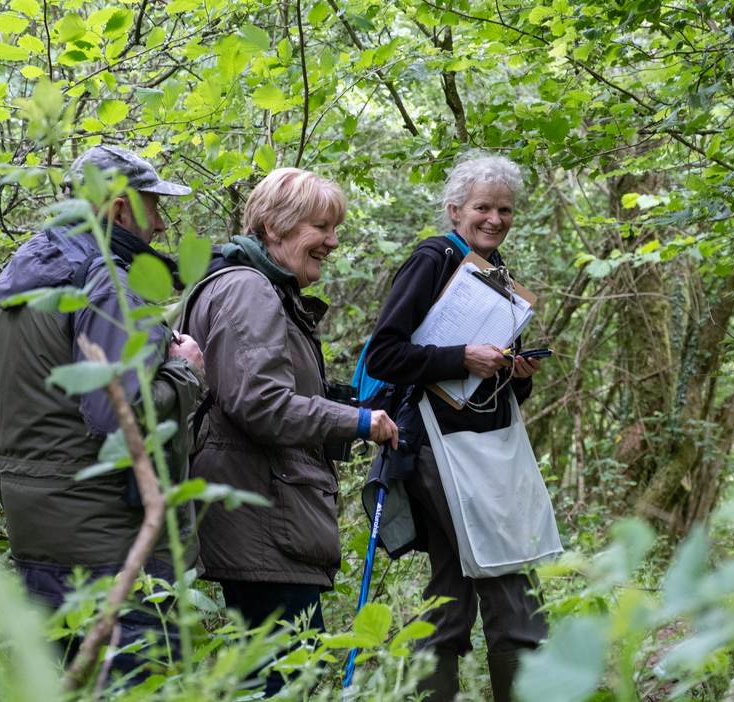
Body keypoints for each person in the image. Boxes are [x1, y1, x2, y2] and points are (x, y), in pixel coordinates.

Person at [0, 145, 206, 679]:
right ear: (119, 209)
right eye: (154, 207)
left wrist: (29, 501)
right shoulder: (109, 282)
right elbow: (116, 416)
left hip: (36, 544)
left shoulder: (12, 282)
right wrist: (185, 372)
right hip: (115, 553)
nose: (161, 225)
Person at [183, 167, 398, 696]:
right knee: (289, 682)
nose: (333, 241)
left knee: (280, 678)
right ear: (274, 228)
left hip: (267, 524)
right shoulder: (249, 289)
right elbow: (260, 403)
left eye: (334, 227)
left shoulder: (259, 288)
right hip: (264, 527)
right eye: (320, 227)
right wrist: (359, 421)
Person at [364, 153, 547, 702]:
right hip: (435, 448)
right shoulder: (433, 260)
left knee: (450, 589)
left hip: (484, 448)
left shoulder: (497, 271)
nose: (495, 219)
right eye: (483, 207)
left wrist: (515, 373)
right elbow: (384, 355)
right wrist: (461, 356)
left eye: (505, 210)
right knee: (510, 581)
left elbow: (488, 388)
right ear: (455, 210)